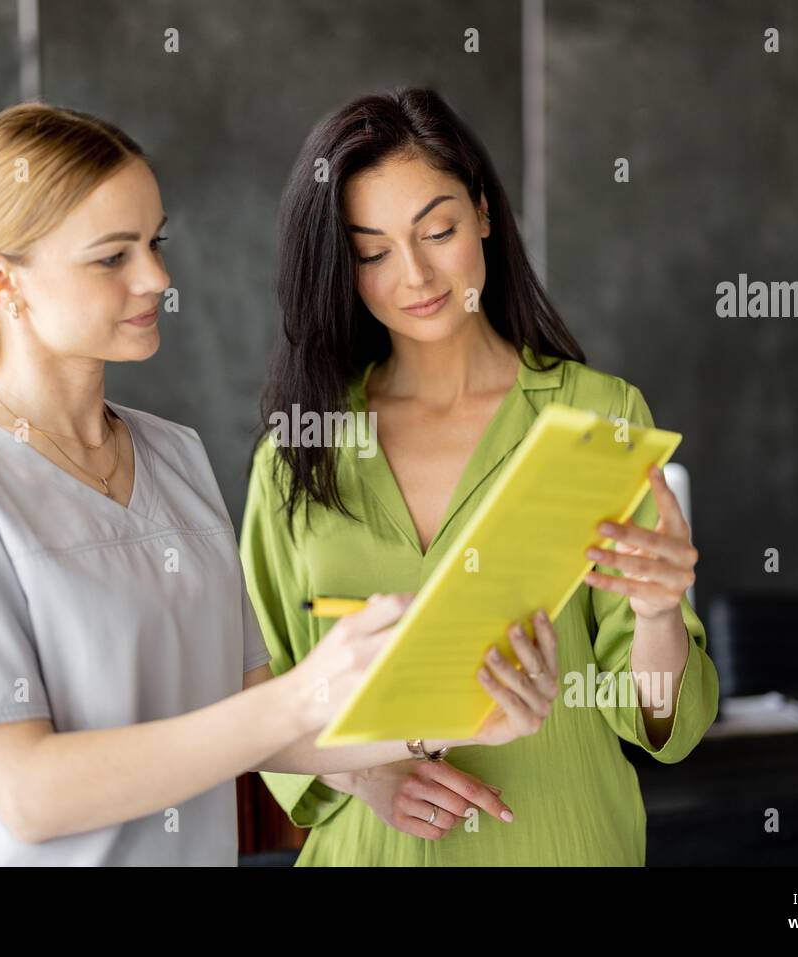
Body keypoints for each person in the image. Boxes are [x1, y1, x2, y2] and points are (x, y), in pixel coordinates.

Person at [0, 102, 555, 866]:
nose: (157, 276)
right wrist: (299, 694)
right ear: (1, 280)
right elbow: (30, 795)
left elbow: (259, 723)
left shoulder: (173, 457)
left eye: (154, 243)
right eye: (112, 256)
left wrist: (452, 718)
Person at [241, 88, 720, 865]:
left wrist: (661, 613)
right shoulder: (299, 454)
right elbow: (262, 696)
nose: (416, 273)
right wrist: (368, 774)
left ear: (485, 213)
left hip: (561, 840)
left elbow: (666, 722)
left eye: (438, 229)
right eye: (373, 251)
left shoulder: (597, 416)